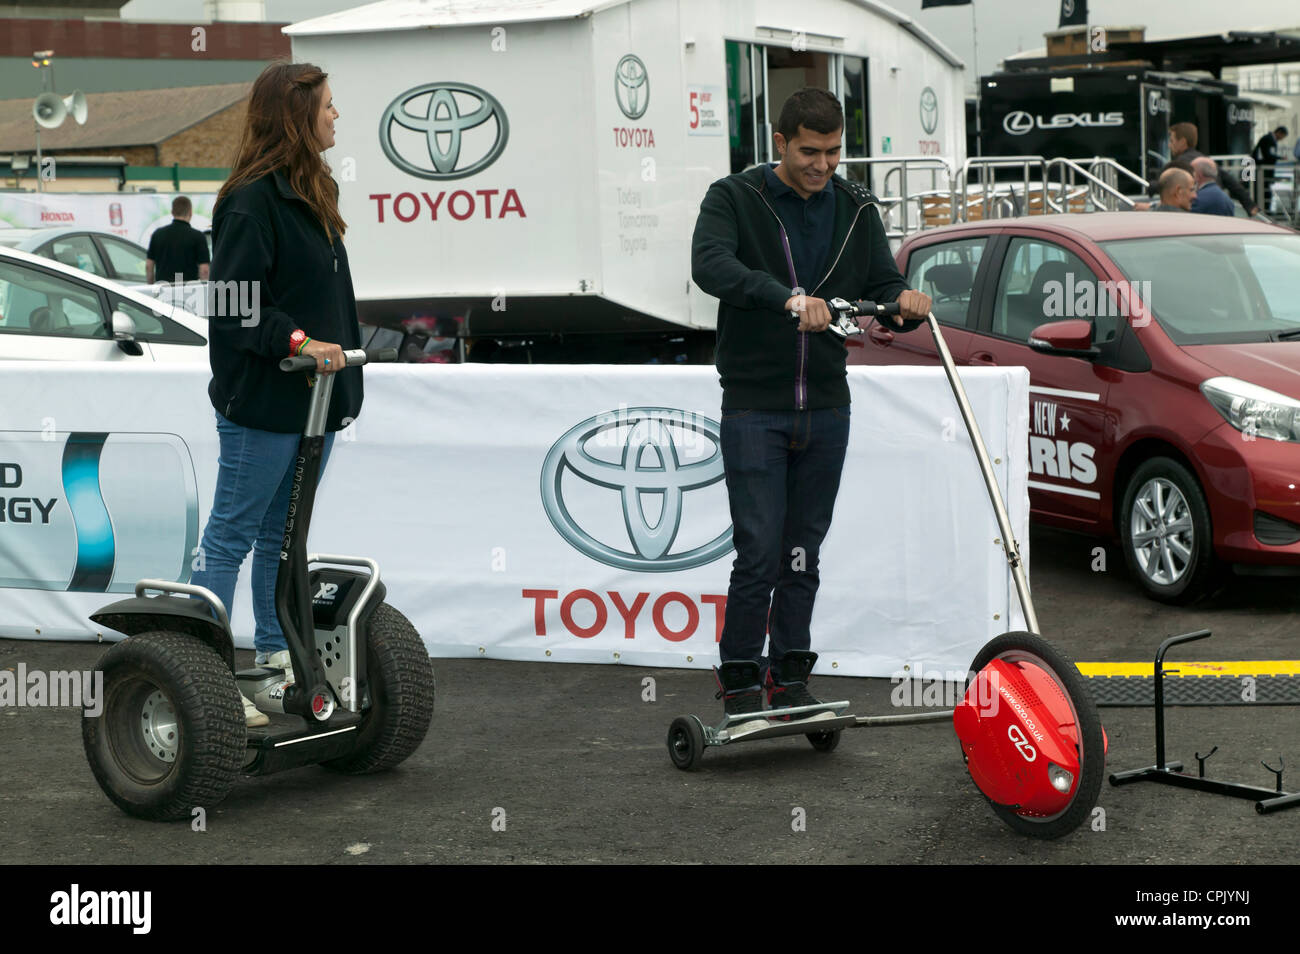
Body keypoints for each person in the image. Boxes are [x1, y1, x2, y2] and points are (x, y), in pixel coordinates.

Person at [691, 87, 931, 730]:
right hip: (755, 407)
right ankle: (740, 679)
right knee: (760, 552)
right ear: (779, 143)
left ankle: (791, 677)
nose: (822, 165)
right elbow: (710, 265)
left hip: (826, 406)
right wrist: (786, 299)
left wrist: (905, 299)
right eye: (808, 152)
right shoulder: (734, 198)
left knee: (803, 552)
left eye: (832, 152)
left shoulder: (857, 207)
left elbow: (881, 284)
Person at [190, 61, 361, 728]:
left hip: (315, 405)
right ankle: (204, 677)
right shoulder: (250, 199)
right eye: (327, 106)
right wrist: (298, 343)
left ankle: (271, 660)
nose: (336, 116)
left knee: (282, 538)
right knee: (231, 537)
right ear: (296, 114)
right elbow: (233, 309)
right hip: (263, 404)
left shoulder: (312, 189)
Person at [145, 195, 210, 284]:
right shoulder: (198, 236)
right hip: (188, 291)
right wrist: (204, 289)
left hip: (163, 289)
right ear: (190, 212)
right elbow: (204, 270)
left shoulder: (158, 234)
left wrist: (151, 286)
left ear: (172, 212)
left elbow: (149, 266)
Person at [1251, 125, 1289, 213]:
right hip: (1264, 171)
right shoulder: (1270, 140)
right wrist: (1280, 158)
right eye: (1282, 136)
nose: (1282, 139)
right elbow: (1269, 155)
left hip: (1262, 170)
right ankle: (1264, 211)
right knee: (1264, 192)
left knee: (1264, 192)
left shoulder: (1268, 138)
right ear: (1279, 133)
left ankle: (1263, 210)